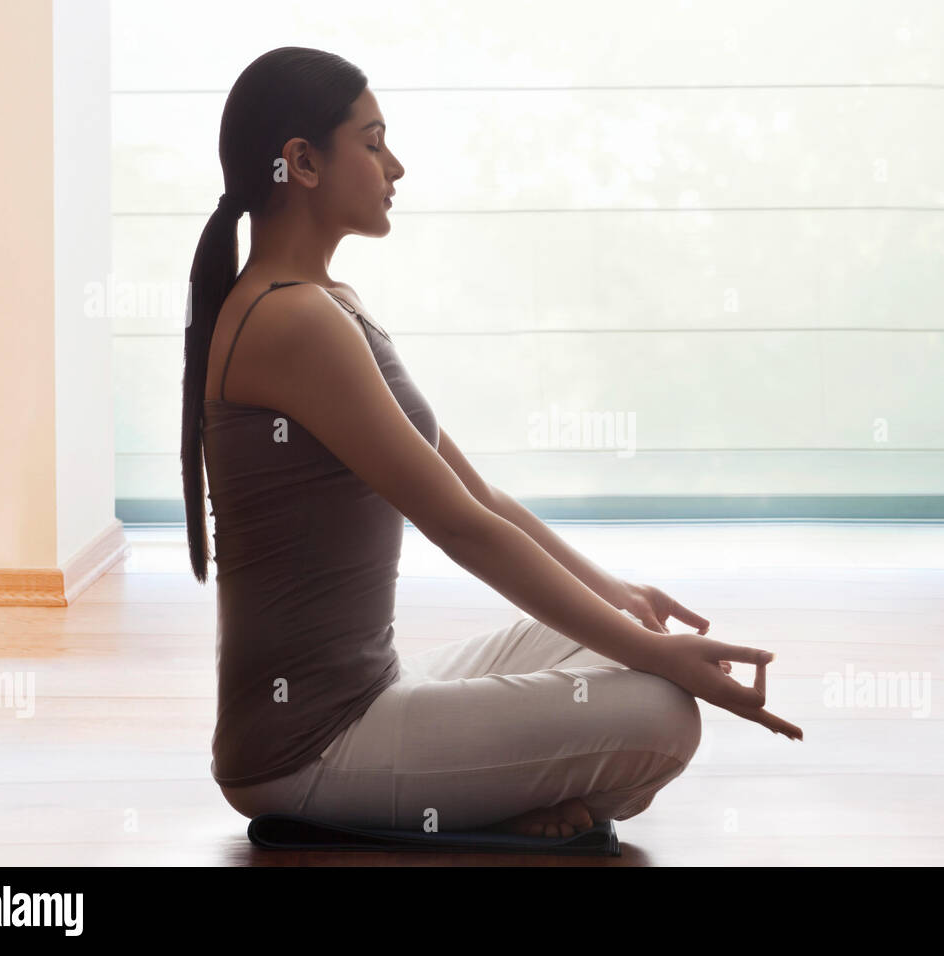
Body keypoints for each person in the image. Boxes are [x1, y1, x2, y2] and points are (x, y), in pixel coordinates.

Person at [180, 47, 802, 838]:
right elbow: (459, 527)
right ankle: (477, 819)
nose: (394, 166)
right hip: (310, 747)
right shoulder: (291, 321)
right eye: (372, 143)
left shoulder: (328, 303)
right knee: (662, 714)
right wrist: (661, 663)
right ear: (302, 163)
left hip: (375, 689)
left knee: (623, 637)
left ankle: (508, 811)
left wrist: (617, 594)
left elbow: (479, 497)